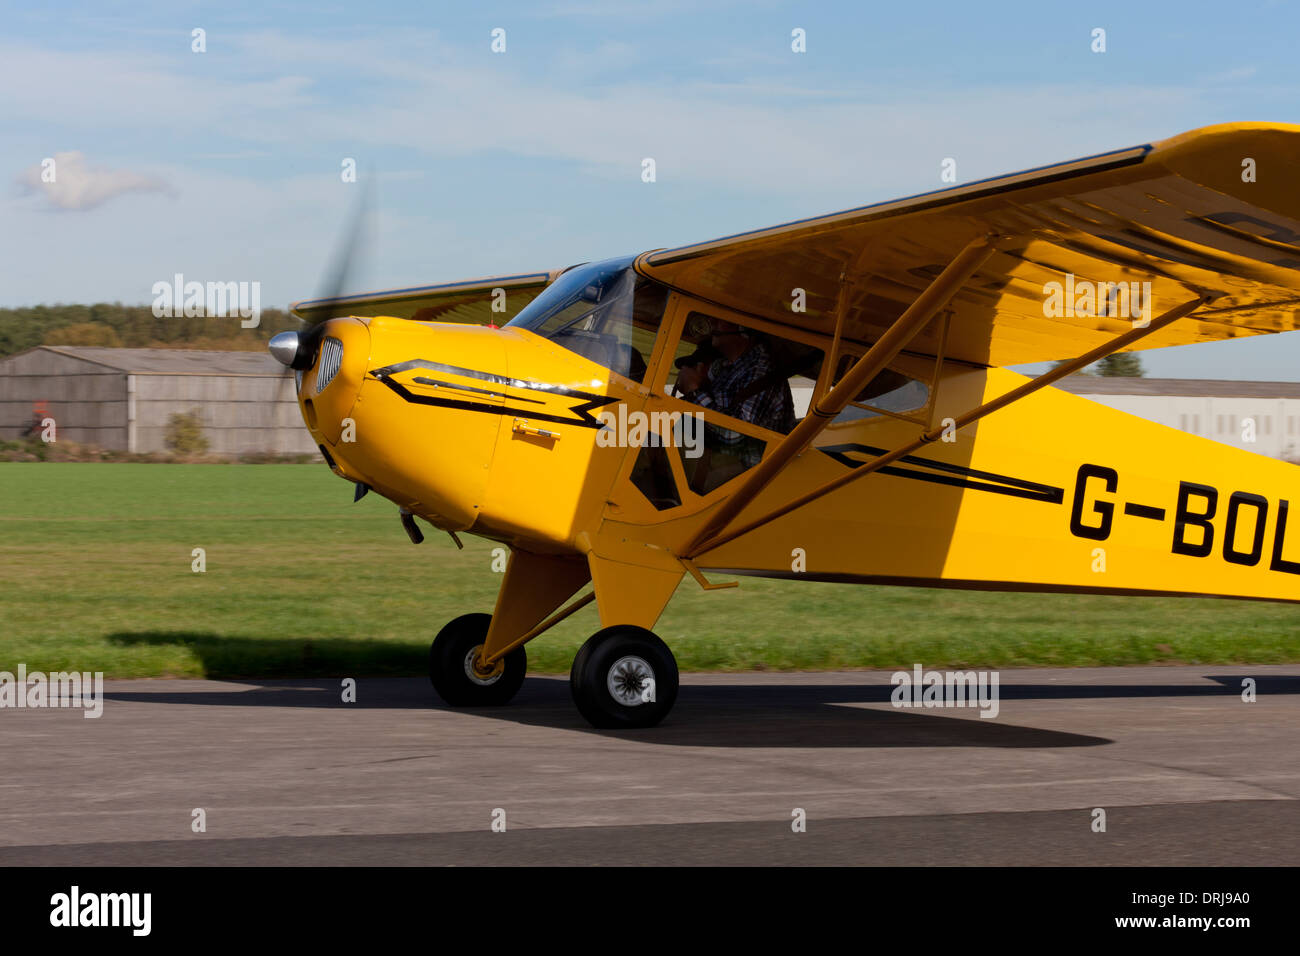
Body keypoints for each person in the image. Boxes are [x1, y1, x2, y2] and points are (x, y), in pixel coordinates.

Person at [676, 319, 794, 469]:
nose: (712, 322)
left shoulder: (762, 370)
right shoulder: (730, 369)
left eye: (721, 319)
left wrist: (694, 392)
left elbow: (734, 433)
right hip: (721, 467)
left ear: (743, 327)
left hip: (750, 476)